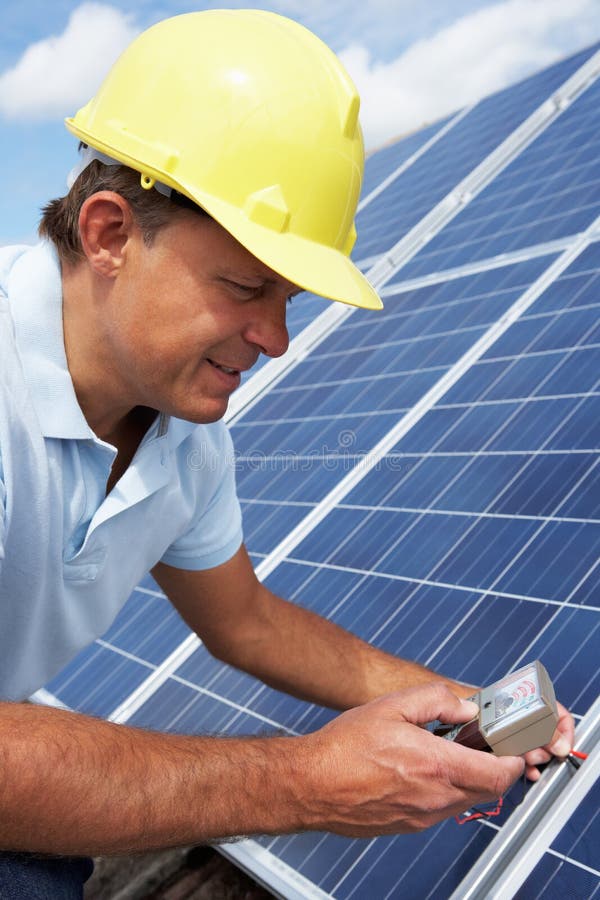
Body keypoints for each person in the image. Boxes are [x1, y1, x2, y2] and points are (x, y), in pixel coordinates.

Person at [0, 9, 573, 897]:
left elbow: (245, 621)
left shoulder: (183, 437)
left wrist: (470, 707)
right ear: (110, 234)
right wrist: (307, 781)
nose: (276, 340)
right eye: (243, 287)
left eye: (291, 300)